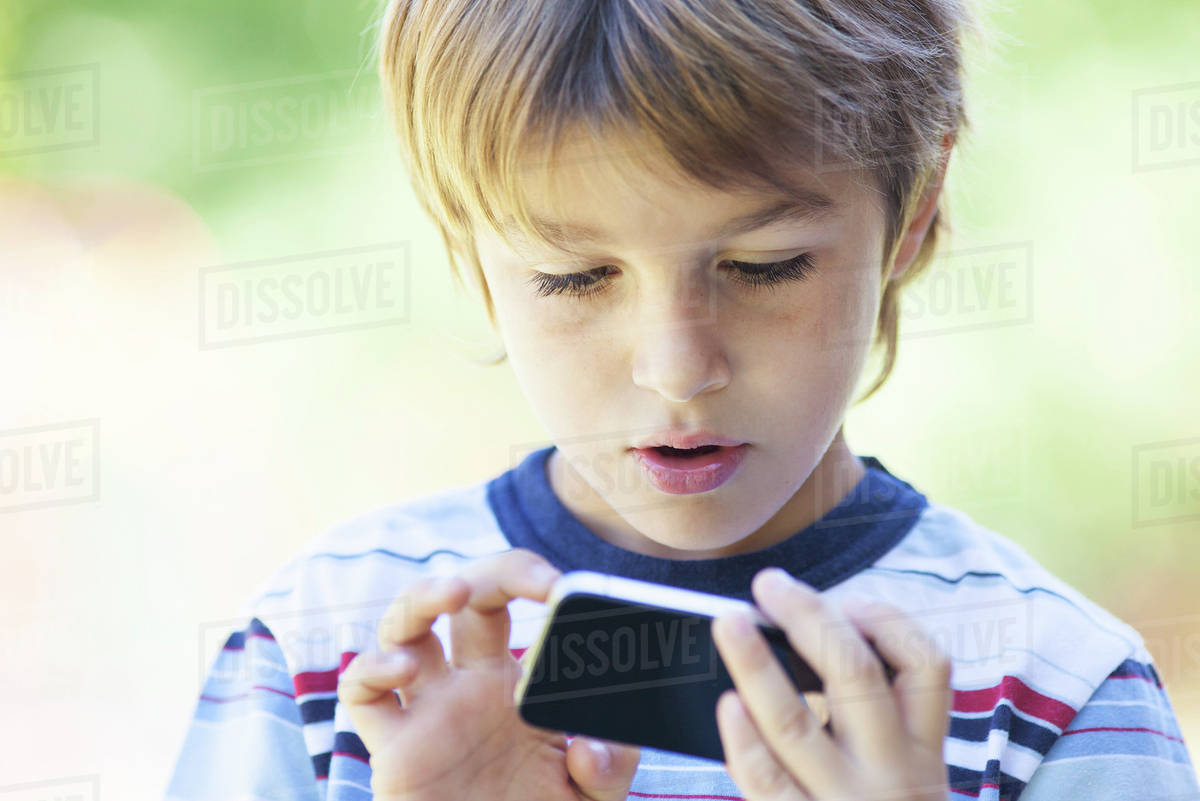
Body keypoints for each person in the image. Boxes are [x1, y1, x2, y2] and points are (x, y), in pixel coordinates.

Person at [164, 1, 1199, 799]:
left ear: (913, 218)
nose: (676, 367)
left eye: (766, 265)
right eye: (574, 278)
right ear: (470, 255)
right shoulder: (333, 650)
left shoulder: (1056, 688)